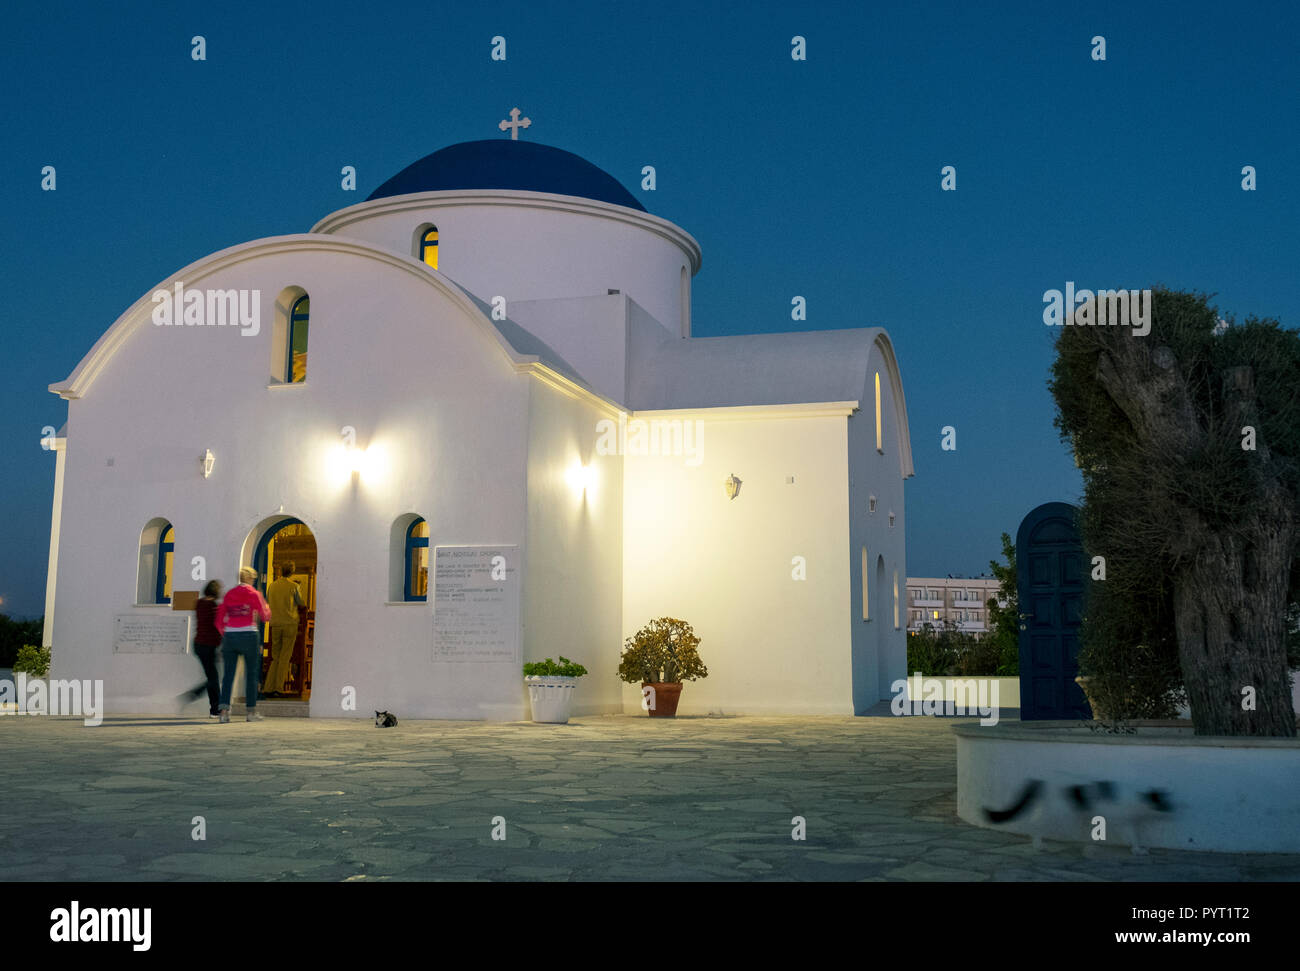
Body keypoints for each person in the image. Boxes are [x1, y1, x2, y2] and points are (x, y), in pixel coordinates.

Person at [216, 566, 271, 723]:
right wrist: (267, 609)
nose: (253, 581)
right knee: (251, 675)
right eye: (253, 579)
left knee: (228, 676)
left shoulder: (229, 594)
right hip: (249, 635)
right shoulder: (254, 594)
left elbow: (219, 620)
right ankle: (251, 712)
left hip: (230, 636)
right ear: (249, 579)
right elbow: (265, 616)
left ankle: (224, 713)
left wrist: (226, 633)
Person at [181, 580, 223, 716]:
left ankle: (214, 709)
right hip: (208, 645)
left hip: (198, 644)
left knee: (211, 677)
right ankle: (199, 697)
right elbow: (216, 626)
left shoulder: (199, 603)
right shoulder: (212, 605)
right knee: (213, 679)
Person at [263, 561, 304, 697]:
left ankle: (268, 687)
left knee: (275, 657)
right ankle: (278, 688)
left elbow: (268, 600)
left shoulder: (272, 586)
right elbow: (301, 603)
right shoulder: (294, 586)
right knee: (285, 657)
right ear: (292, 572)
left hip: (275, 623)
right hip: (289, 624)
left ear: (280, 571)